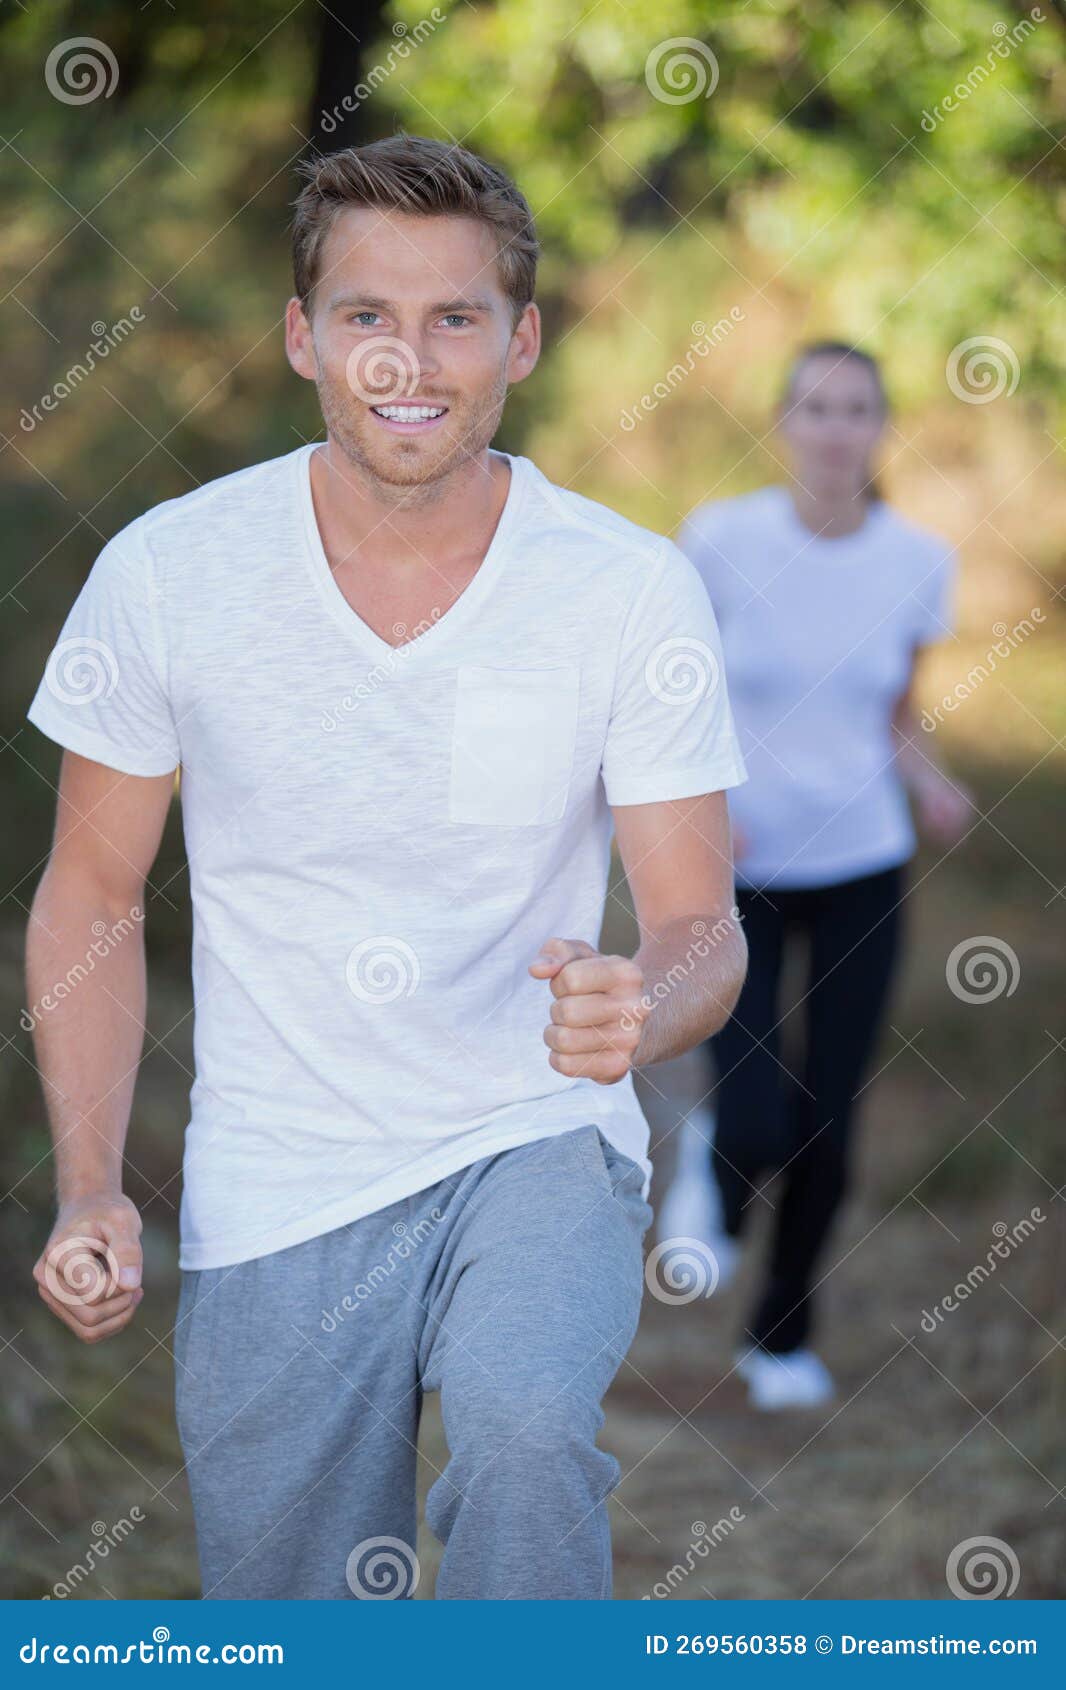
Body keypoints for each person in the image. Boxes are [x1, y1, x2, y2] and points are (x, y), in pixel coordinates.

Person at [24, 135, 748, 1600]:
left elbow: (698, 923)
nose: (406, 361)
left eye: (454, 317)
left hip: (532, 1136)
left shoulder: (624, 588)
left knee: (524, 1433)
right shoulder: (169, 573)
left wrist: (639, 1004)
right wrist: (92, 1184)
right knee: (294, 1606)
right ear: (303, 335)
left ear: (520, 342)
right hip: (276, 1173)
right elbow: (91, 894)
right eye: (366, 314)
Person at [659, 342, 972, 1412]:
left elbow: (897, 717)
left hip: (862, 869)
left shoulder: (918, 560)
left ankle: (781, 1338)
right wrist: (701, 815)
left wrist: (931, 784)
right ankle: (716, 1166)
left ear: (880, 428)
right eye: (817, 408)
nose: (836, 429)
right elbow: (673, 697)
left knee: (827, 1123)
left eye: (856, 410)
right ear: (783, 423)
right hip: (739, 867)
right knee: (756, 1119)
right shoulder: (720, 540)